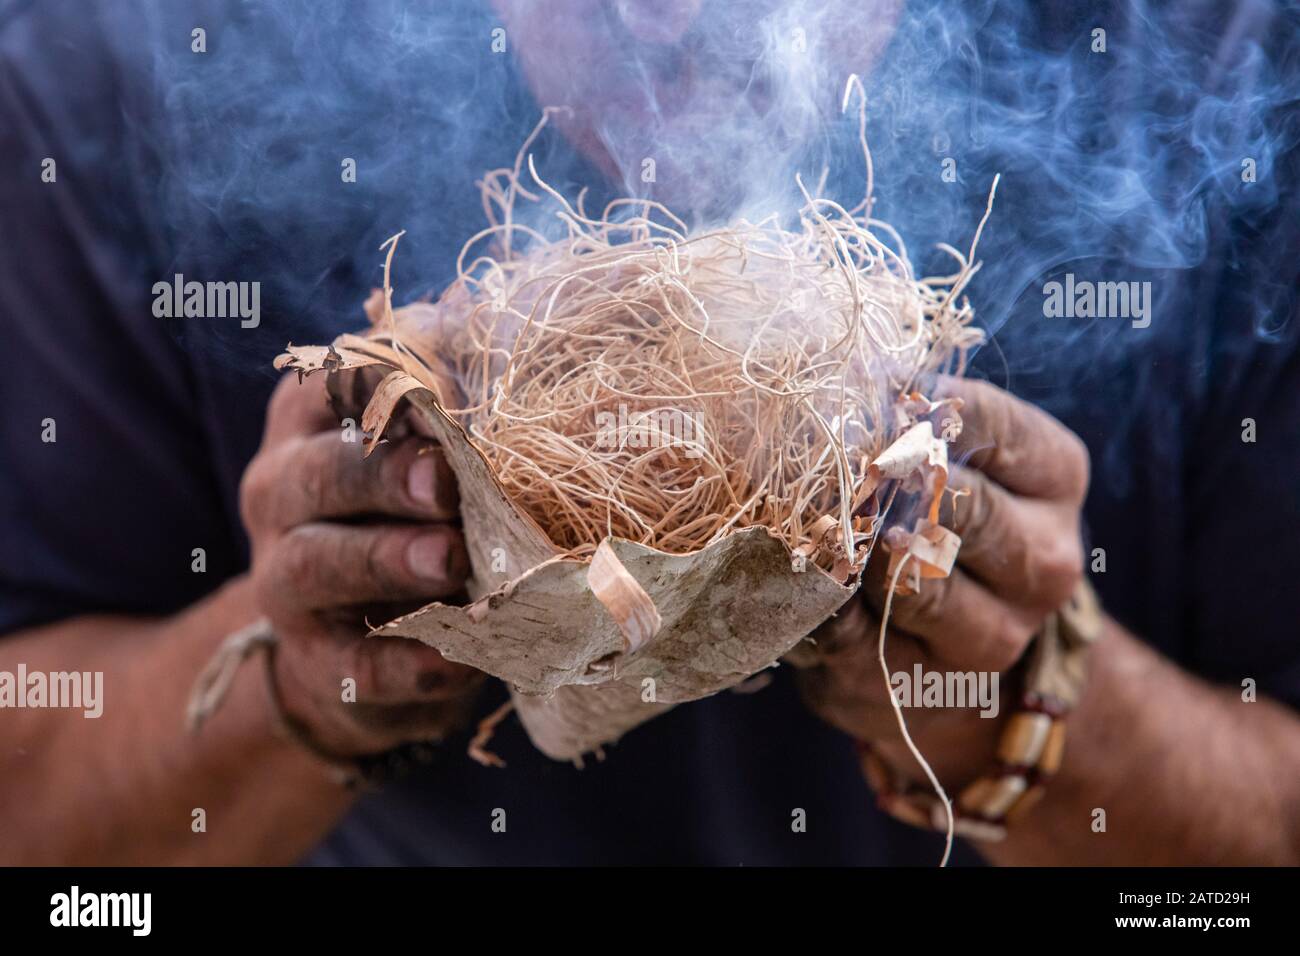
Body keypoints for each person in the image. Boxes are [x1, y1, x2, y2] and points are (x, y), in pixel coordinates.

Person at [1, 0, 1297, 865]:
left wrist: (1037, 712)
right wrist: (292, 686)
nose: (667, 16)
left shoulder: (1232, 64)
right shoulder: (131, 62)